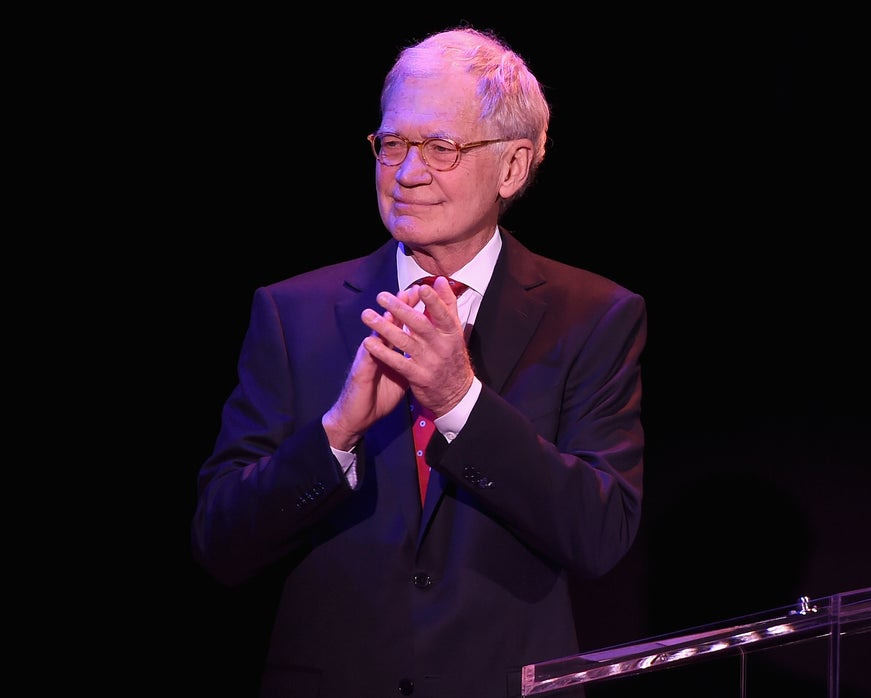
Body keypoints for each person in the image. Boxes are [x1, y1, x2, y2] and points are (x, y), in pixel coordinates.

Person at [191, 25, 647, 698]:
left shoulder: (593, 315)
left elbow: (600, 534)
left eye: (441, 147)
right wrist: (336, 434)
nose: (406, 173)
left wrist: (460, 402)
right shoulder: (291, 312)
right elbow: (220, 542)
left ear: (514, 167)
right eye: (392, 144)